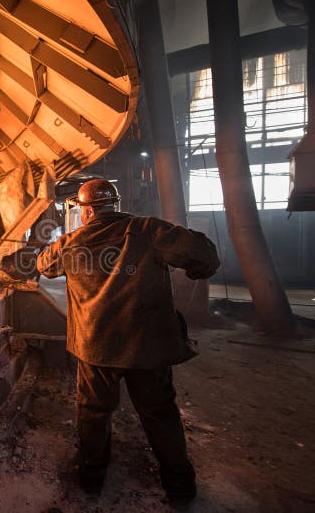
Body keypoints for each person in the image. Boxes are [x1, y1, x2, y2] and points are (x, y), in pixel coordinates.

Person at [36, 178, 220, 503]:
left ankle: (92, 480)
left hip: (96, 349)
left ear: (86, 210)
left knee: (93, 414)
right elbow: (204, 254)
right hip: (147, 349)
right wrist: (195, 270)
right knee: (160, 414)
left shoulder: (70, 243)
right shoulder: (148, 230)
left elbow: (43, 265)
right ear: (115, 205)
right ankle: (180, 488)